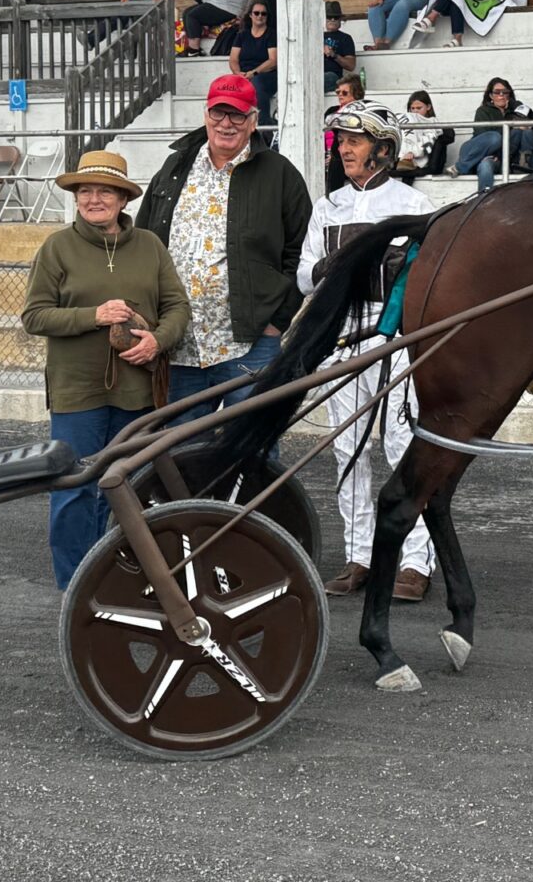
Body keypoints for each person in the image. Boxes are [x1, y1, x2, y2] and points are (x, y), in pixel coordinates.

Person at [22, 150, 189, 590]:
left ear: (122, 199)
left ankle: (124, 578)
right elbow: (35, 316)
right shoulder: (57, 247)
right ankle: (76, 587)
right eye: (86, 191)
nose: (94, 199)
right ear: (76, 197)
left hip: (138, 392)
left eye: (105, 191)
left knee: (131, 490)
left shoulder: (150, 246)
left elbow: (176, 306)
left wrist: (159, 339)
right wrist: (92, 316)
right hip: (78, 392)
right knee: (75, 488)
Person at [297, 101, 437, 601]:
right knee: (347, 448)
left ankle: (416, 561)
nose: (344, 149)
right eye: (342, 142)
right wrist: (336, 268)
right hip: (341, 335)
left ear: (383, 149)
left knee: (403, 448)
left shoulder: (417, 206)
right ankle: (358, 556)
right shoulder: (327, 205)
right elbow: (303, 274)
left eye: (354, 142)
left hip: (395, 333)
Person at [136, 74, 311, 426]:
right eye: (218, 113)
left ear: (253, 120)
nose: (226, 124)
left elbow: (304, 252)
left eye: (236, 115)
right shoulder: (174, 168)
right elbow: (142, 242)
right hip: (179, 344)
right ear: (205, 115)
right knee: (179, 451)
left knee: (251, 446)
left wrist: (278, 321)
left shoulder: (280, 174)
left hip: (249, 343)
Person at [456, 77, 533, 190]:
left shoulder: (515, 108)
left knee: (527, 132)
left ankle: (527, 169)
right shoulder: (483, 111)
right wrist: (512, 126)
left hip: (510, 158)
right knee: (486, 165)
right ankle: (483, 199)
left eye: (505, 92)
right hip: (489, 154)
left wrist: (515, 104)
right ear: (490, 95)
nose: (501, 95)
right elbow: (482, 135)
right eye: (497, 92)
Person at [230, 0, 279, 129]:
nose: (260, 16)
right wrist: (238, 73)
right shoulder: (242, 35)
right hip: (244, 75)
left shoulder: (272, 34)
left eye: (264, 13)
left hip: (266, 75)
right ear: (250, 15)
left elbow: (273, 60)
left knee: (257, 82)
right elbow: (233, 59)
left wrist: (253, 73)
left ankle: (264, 122)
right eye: (256, 13)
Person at [395, 90, 452, 179]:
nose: (415, 112)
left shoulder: (433, 123)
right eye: (412, 108)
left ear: (428, 107)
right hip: (407, 159)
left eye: (419, 108)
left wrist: (412, 152)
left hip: (429, 162)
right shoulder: (408, 122)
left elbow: (430, 140)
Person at [321, 0, 357, 91]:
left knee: (329, 77)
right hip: (312, 73)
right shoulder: (312, 36)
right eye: (329, 17)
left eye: (336, 17)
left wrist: (334, 55)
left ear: (340, 19)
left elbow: (351, 65)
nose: (332, 20)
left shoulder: (345, 38)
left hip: (333, 77)